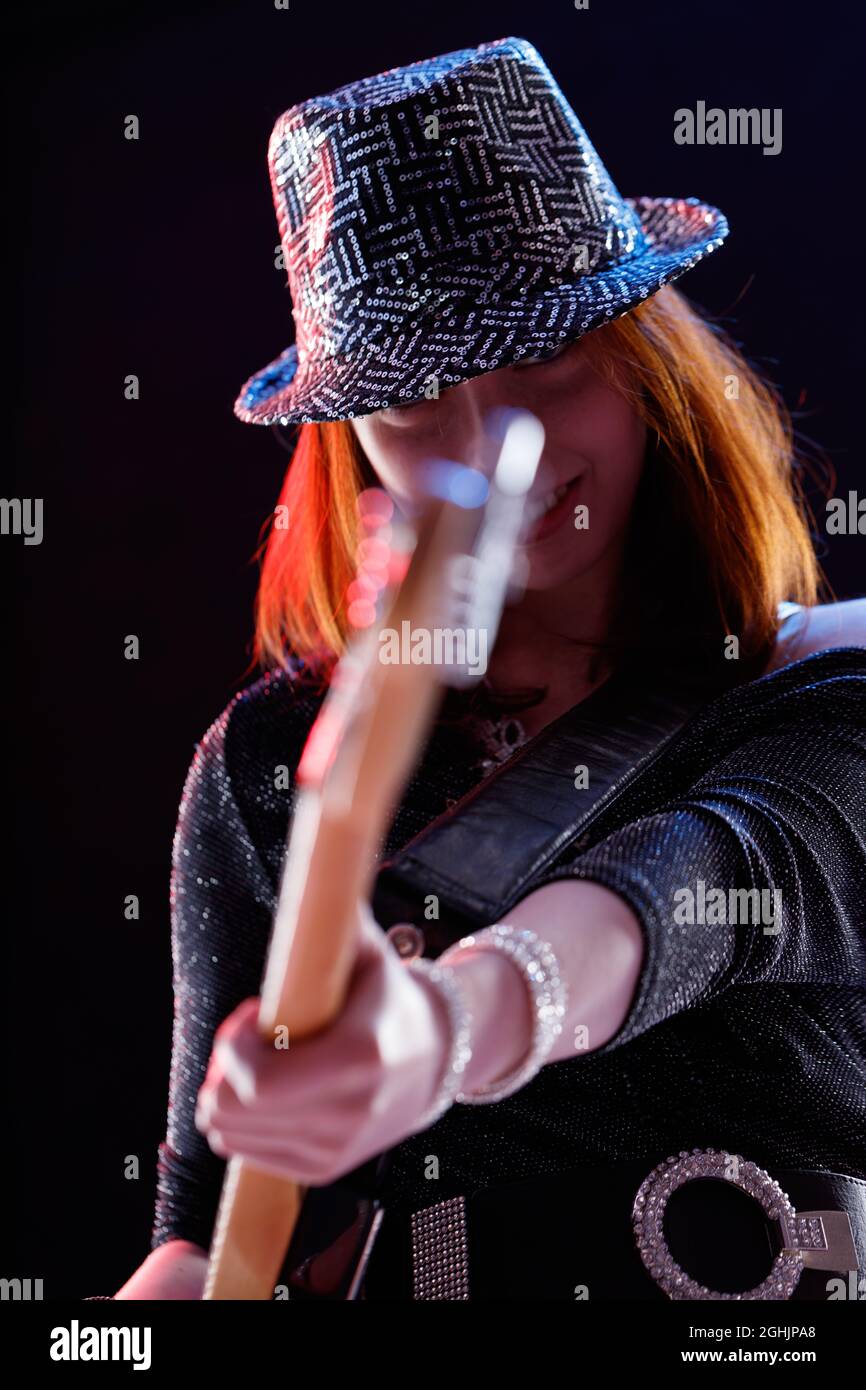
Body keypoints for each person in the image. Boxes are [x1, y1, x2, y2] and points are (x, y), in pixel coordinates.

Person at [112, 36, 866, 1302]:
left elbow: (695, 881)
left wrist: (447, 1027)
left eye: (545, 365)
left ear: (648, 363)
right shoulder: (267, 762)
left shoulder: (821, 699)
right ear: (348, 439)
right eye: (412, 403)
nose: (487, 451)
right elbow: (206, 1238)